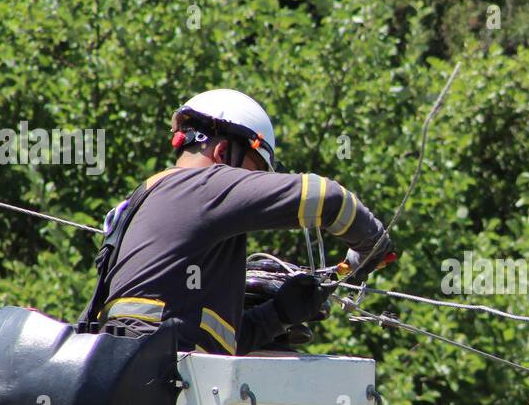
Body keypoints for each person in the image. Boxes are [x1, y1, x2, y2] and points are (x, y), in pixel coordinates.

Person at [80, 88, 394, 354]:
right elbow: (328, 198)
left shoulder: (148, 200)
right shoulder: (202, 187)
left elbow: (220, 346)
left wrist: (278, 314)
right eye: (255, 172)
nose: (253, 185)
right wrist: (371, 245)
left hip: (145, 386)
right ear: (223, 151)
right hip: (158, 389)